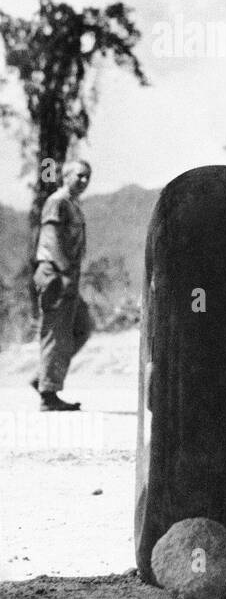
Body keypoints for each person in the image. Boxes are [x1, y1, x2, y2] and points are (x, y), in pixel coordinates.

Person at [32, 160, 93, 412]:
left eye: (87, 176)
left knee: (82, 327)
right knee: (55, 333)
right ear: (65, 176)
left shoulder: (72, 204)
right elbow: (51, 239)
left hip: (67, 274)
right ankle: (48, 394)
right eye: (79, 175)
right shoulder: (57, 201)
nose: (84, 180)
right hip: (56, 273)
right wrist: (65, 272)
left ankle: (44, 378)